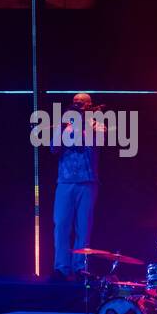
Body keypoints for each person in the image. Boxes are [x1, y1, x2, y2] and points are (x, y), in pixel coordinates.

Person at [50, 93, 105, 281]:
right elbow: (54, 148)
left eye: (81, 103)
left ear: (89, 105)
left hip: (87, 182)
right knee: (61, 225)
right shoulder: (64, 125)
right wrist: (63, 126)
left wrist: (83, 122)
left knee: (84, 228)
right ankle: (61, 268)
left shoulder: (98, 125)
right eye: (74, 103)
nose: (77, 106)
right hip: (65, 182)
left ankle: (80, 267)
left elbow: (92, 142)